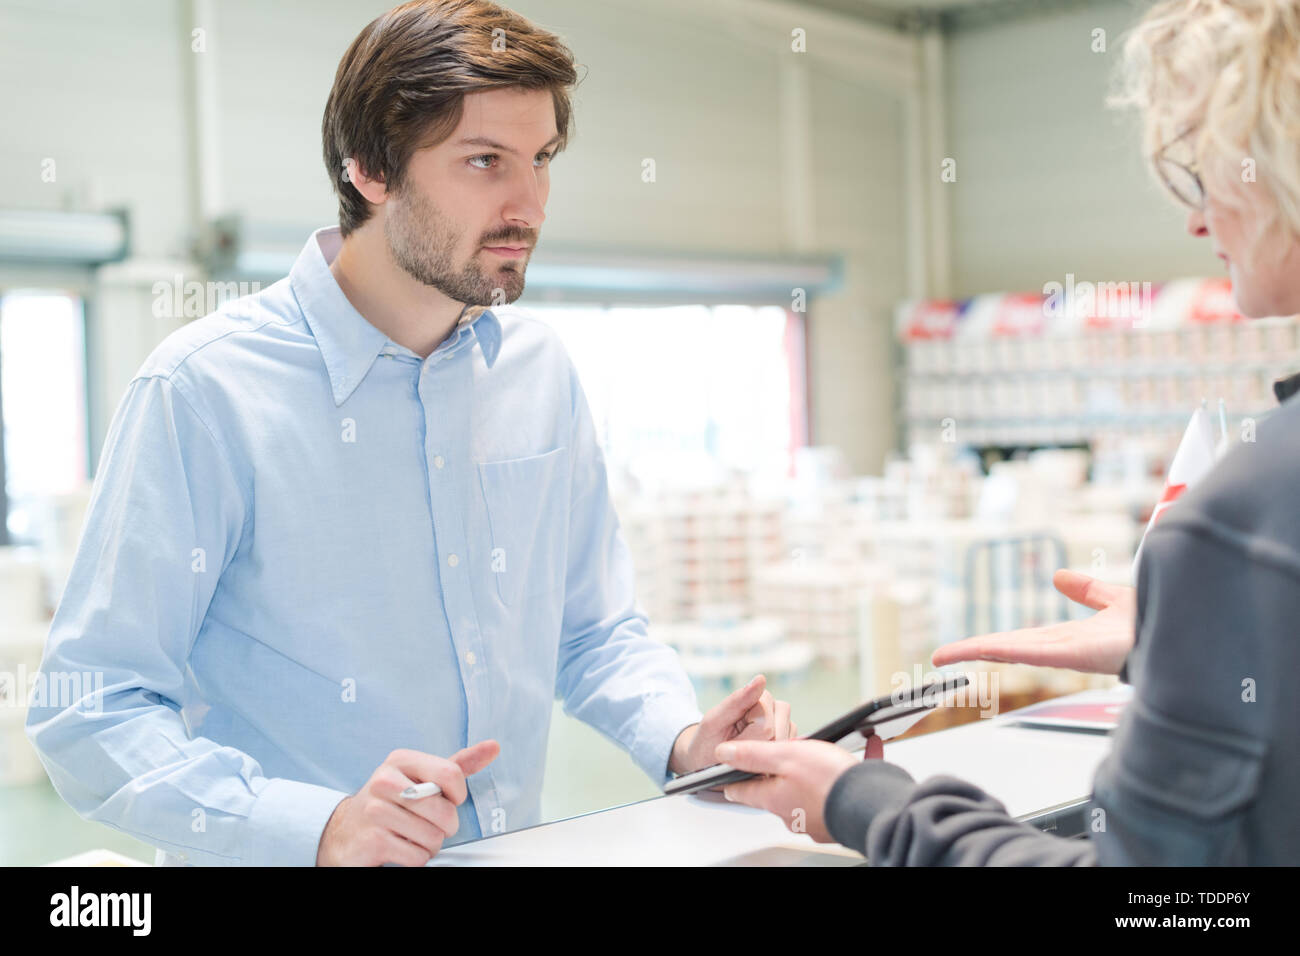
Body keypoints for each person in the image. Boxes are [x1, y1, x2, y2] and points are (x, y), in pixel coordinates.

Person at [24, 0, 794, 867]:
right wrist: (316, 826)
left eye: (540, 161)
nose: (529, 206)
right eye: (483, 161)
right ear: (370, 168)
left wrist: (685, 742)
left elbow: (591, 628)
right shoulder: (205, 392)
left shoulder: (537, 375)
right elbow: (91, 708)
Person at [717, 0, 1300, 864]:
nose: (1195, 219)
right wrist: (1204, 646)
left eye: (1200, 171)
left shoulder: (1249, 511)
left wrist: (867, 804)